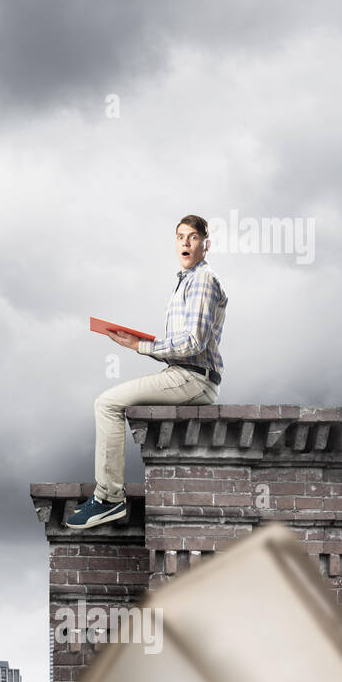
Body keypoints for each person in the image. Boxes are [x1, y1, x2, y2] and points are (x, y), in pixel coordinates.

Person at [66, 214, 228, 529]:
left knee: (107, 403)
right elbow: (180, 346)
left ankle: (109, 499)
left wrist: (140, 346)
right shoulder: (185, 280)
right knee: (109, 401)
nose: (185, 242)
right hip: (184, 373)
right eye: (180, 236)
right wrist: (136, 342)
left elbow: (193, 343)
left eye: (193, 237)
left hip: (195, 378)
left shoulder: (203, 280)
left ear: (205, 245)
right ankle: (108, 497)